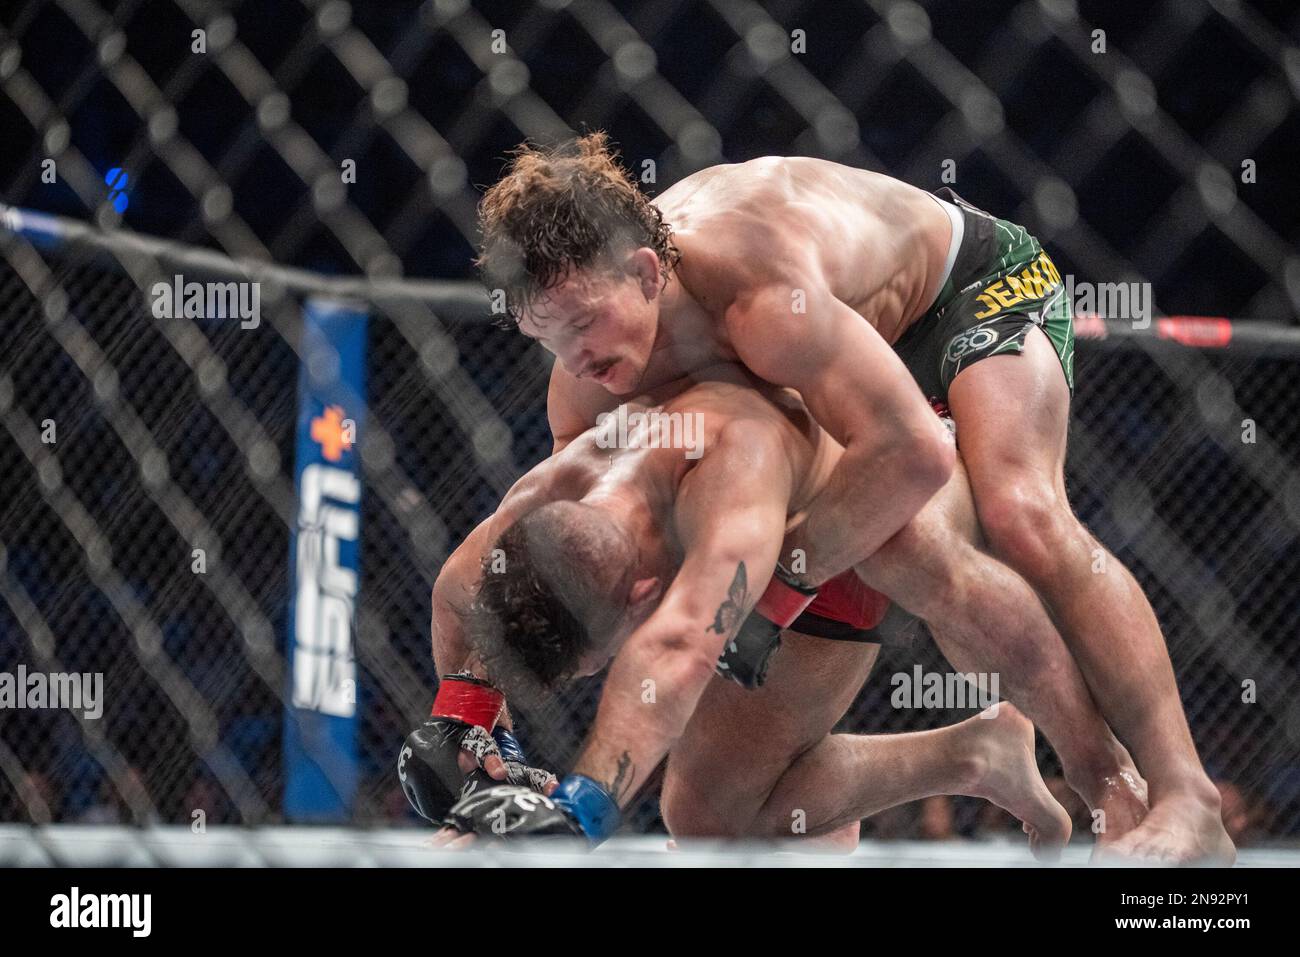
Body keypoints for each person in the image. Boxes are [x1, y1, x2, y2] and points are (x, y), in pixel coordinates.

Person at [469, 133, 1232, 863]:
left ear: (644, 273)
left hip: (962, 297)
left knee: (1014, 512)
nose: (573, 357)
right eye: (548, 337)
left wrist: (780, 589)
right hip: (849, 381)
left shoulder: (760, 299)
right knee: (707, 812)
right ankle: (968, 754)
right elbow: (563, 560)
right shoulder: (588, 380)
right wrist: (470, 739)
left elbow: (914, 455)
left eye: (582, 323)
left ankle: (1161, 790)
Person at [408, 365, 1137, 856]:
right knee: (744, 789)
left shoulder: (725, 507)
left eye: (592, 664)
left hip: (834, 536)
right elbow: (455, 590)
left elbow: (672, 659)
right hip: (833, 451)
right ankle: (868, 798)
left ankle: (976, 756)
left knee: (705, 814)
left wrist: (577, 812)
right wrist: (467, 724)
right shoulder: (560, 485)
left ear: (638, 598)